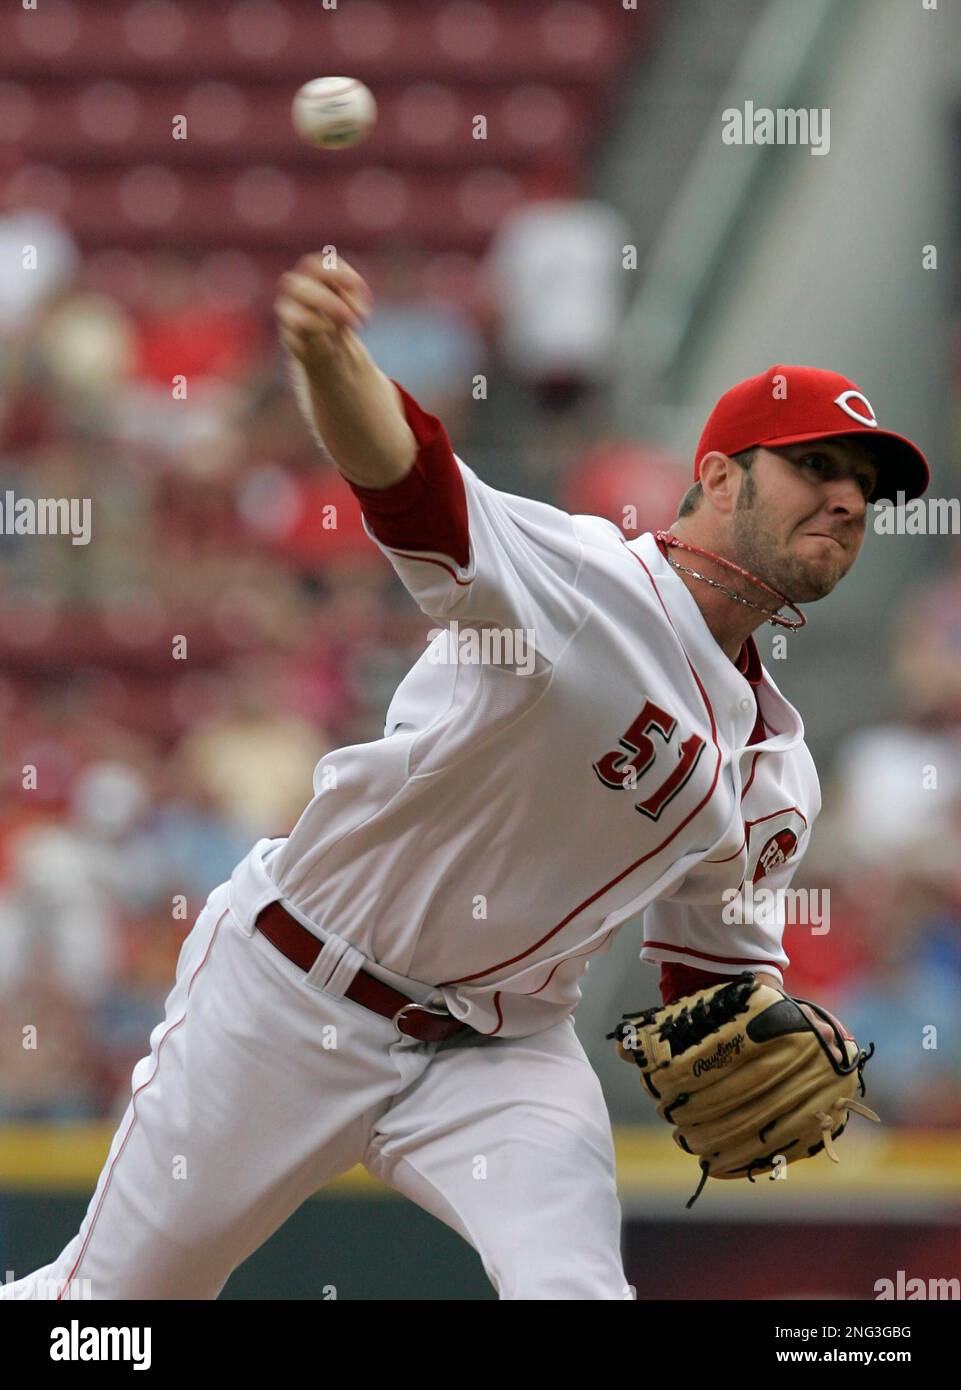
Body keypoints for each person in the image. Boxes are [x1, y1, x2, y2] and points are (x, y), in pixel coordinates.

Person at [1, 254, 929, 1302]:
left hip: (500, 1051)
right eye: (818, 466)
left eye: (868, 486)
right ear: (718, 477)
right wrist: (326, 359)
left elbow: (703, 981)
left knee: (575, 1290)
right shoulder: (581, 582)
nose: (850, 499)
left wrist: (761, 1027)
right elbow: (413, 486)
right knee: (110, 1313)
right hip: (293, 989)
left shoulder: (779, 774)